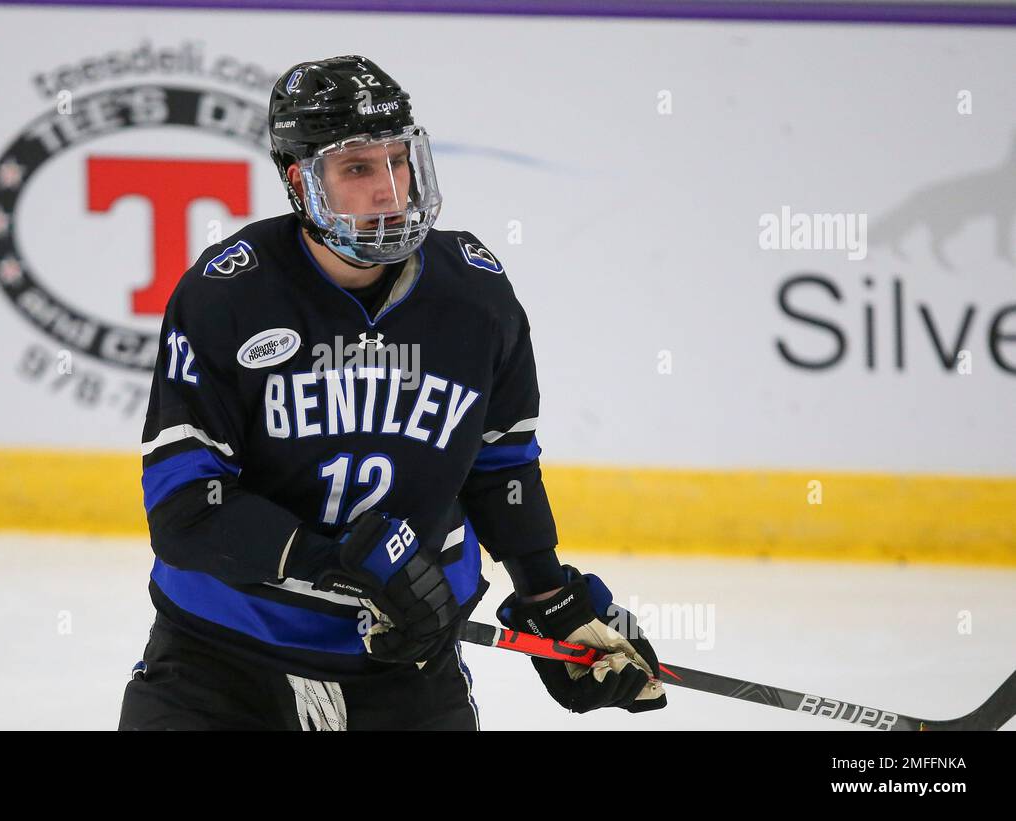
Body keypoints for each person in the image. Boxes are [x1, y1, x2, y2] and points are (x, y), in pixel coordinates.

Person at [118, 55, 667, 730]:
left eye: (397, 162)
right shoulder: (229, 293)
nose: (388, 190)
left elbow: (500, 465)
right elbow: (183, 507)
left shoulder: (475, 295)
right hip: (220, 661)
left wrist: (551, 598)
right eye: (357, 169)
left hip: (404, 666)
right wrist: (345, 567)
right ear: (300, 179)